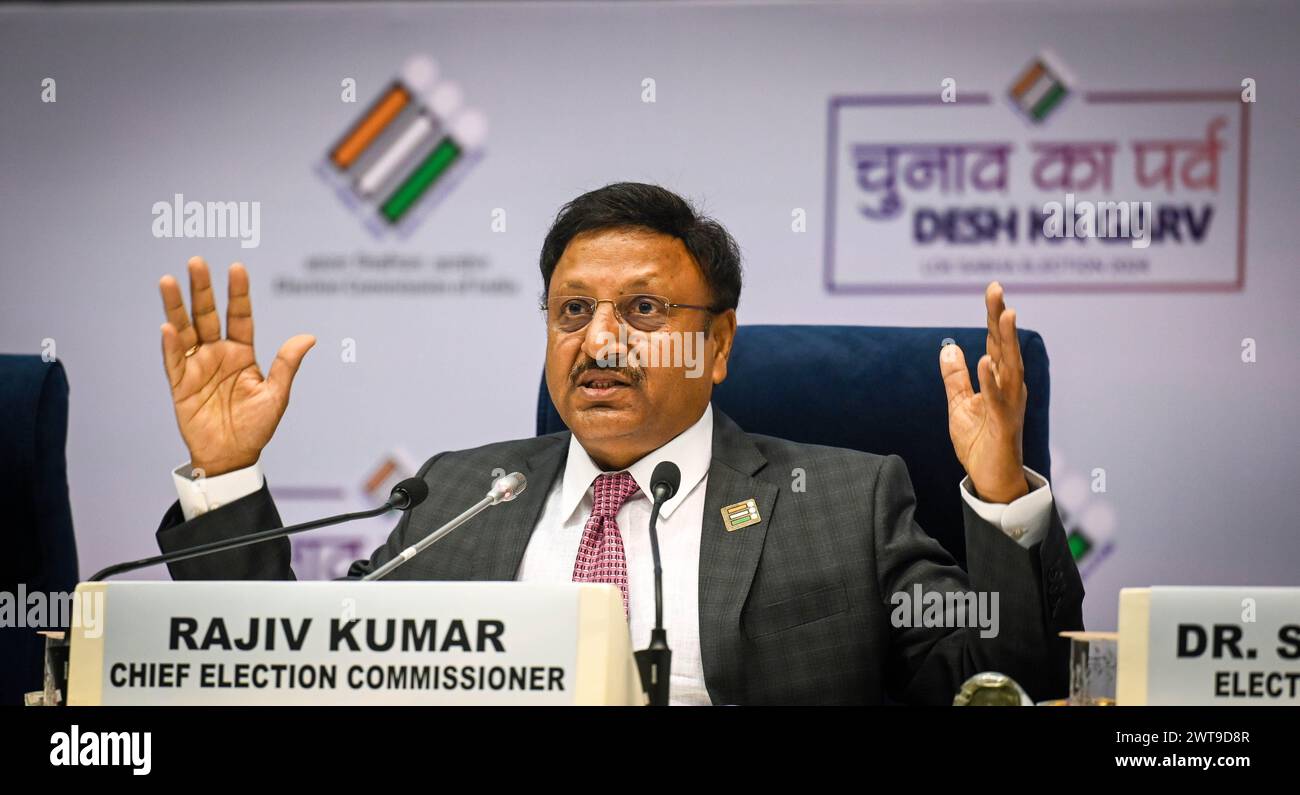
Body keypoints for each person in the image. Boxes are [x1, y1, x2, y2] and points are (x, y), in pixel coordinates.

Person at [152, 182, 1084, 705]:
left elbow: (996, 687)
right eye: (572, 311)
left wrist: (1001, 494)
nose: (599, 340)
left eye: (642, 309)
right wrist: (228, 475)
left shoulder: (847, 499)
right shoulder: (459, 495)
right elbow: (291, 679)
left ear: (717, 345)